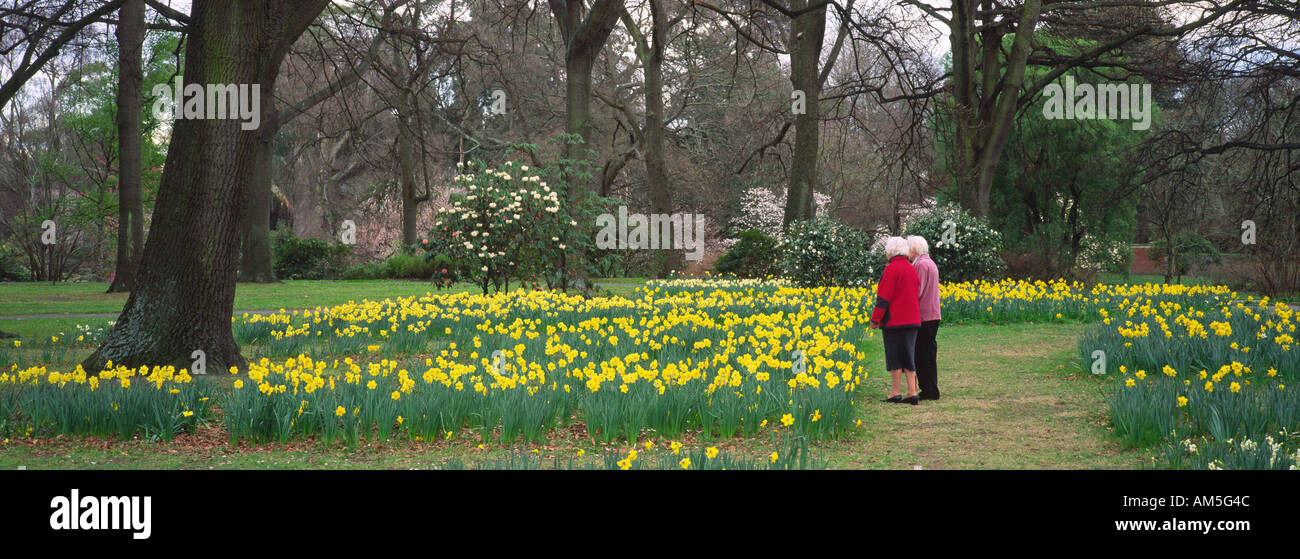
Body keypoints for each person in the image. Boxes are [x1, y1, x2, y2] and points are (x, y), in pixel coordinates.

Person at [870, 236, 922, 405]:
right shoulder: (911, 268)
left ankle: (895, 392)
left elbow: (883, 298)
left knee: (894, 356)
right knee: (909, 354)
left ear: (890, 252)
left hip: (894, 321)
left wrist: (875, 320)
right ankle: (912, 392)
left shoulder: (891, 269)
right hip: (913, 319)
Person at [908, 235, 941, 400]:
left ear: (915, 249)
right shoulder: (931, 263)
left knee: (921, 354)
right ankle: (931, 387)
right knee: (929, 352)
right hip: (934, 314)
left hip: (924, 315)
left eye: (909, 248)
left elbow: (917, 291)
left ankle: (928, 389)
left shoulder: (920, 265)